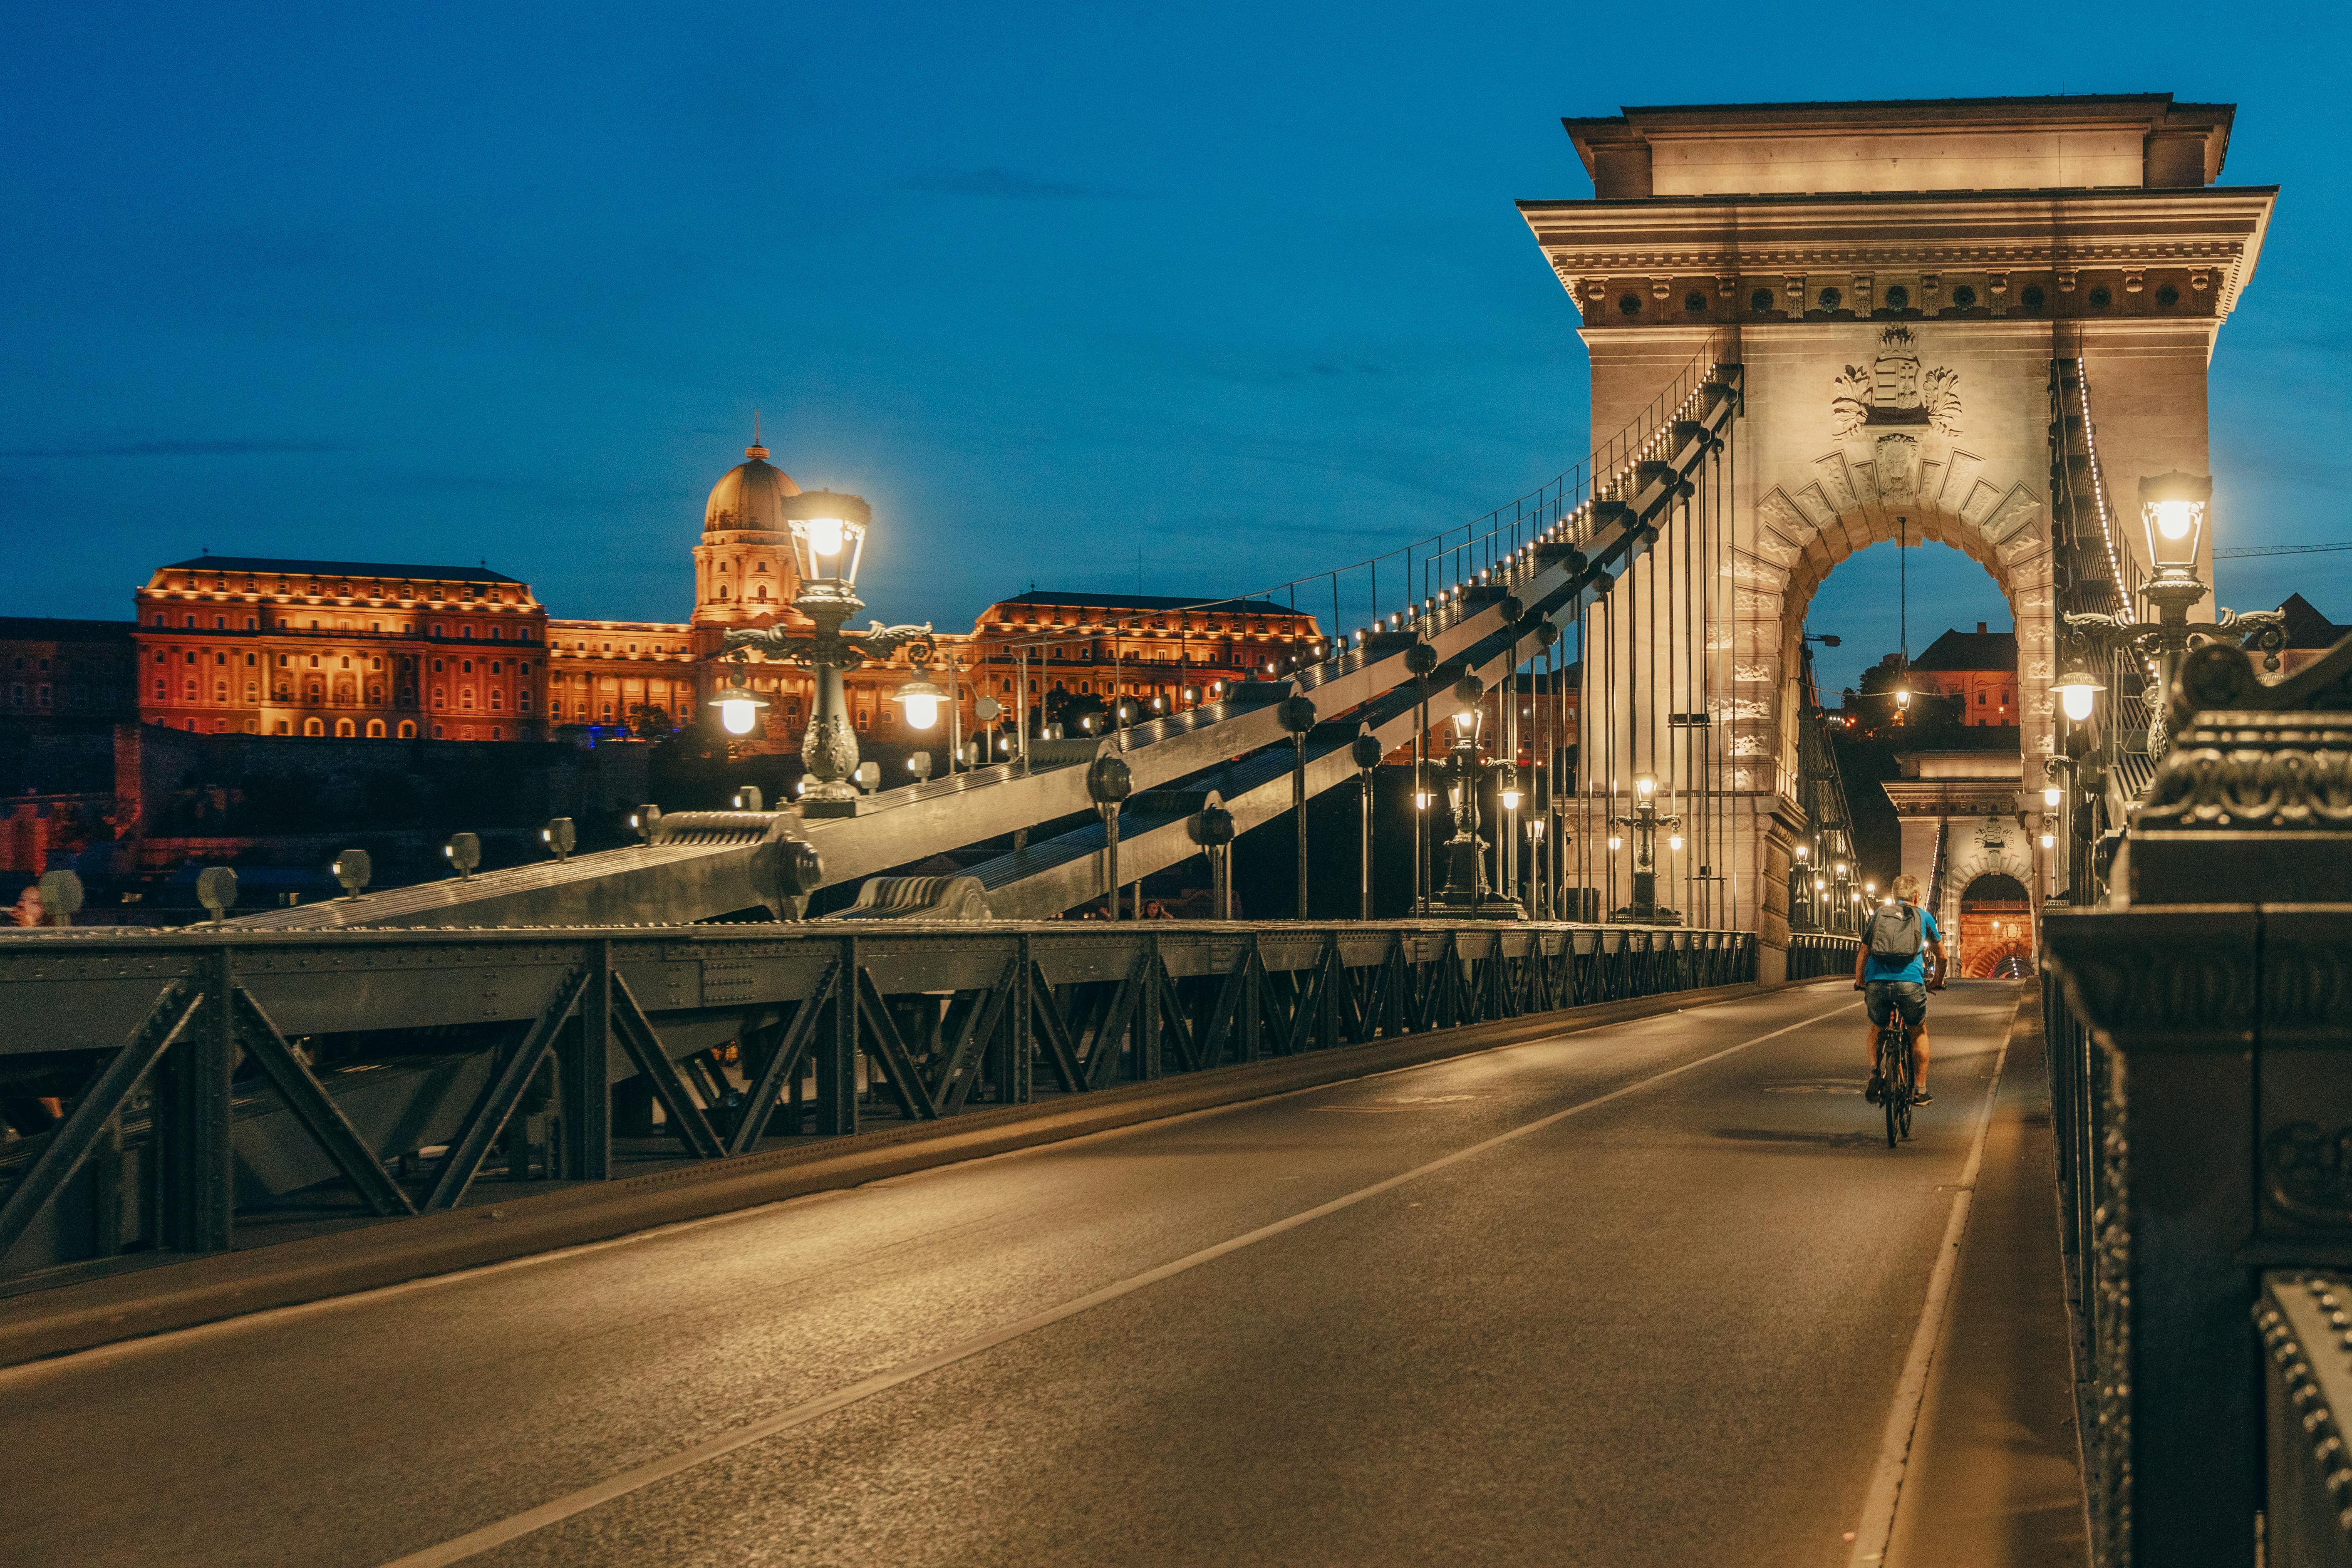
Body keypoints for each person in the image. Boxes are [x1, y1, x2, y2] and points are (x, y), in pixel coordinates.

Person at [1854, 873, 1945, 1105]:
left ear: (1895, 897)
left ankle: (1875, 1073)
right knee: (1918, 1031)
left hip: (1877, 982)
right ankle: (1920, 1091)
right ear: (1916, 897)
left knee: (1878, 1026)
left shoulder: (1878, 915)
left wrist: (1860, 981)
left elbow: (1864, 952)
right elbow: (1942, 957)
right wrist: (1936, 981)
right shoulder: (1924, 917)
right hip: (1910, 984)